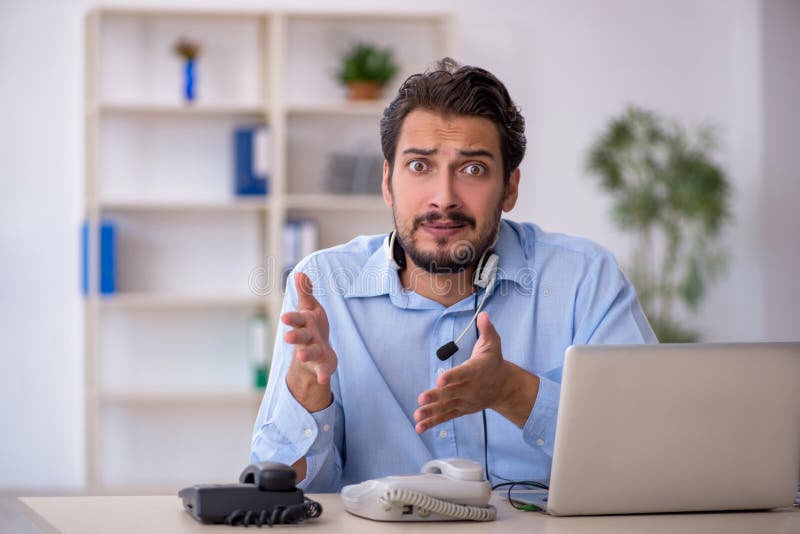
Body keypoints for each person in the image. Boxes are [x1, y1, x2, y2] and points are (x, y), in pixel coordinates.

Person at [250, 58, 656, 492]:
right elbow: (279, 491)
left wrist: (514, 393)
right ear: (388, 182)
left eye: (473, 169)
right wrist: (308, 395)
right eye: (420, 166)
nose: (443, 198)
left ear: (510, 187)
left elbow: (651, 454)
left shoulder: (584, 278)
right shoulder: (323, 287)